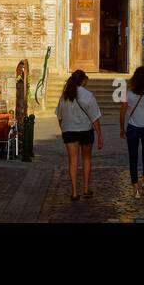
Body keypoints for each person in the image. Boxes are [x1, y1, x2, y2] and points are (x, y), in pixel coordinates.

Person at [55, 69, 103, 200]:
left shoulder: (64, 96)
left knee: (73, 161)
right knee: (86, 159)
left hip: (69, 131)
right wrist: (100, 136)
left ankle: (74, 191)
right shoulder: (88, 95)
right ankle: (86, 189)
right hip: (85, 131)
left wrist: (63, 128)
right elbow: (95, 118)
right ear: (83, 80)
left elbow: (59, 116)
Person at [120, 65, 144, 196]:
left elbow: (123, 111)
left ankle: (135, 186)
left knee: (133, 157)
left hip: (132, 127)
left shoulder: (128, 91)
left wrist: (121, 128)